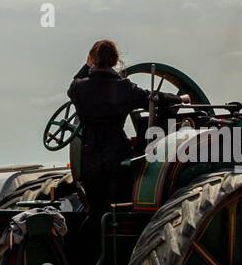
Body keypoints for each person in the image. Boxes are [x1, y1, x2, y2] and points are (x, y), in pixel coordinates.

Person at [67, 39, 188, 216]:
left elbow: (74, 85)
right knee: (120, 208)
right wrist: (180, 99)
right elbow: (152, 98)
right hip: (117, 153)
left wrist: (87, 66)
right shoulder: (124, 88)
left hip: (90, 156)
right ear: (116, 60)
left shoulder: (79, 87)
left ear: (92, 58)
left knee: (96, 209)